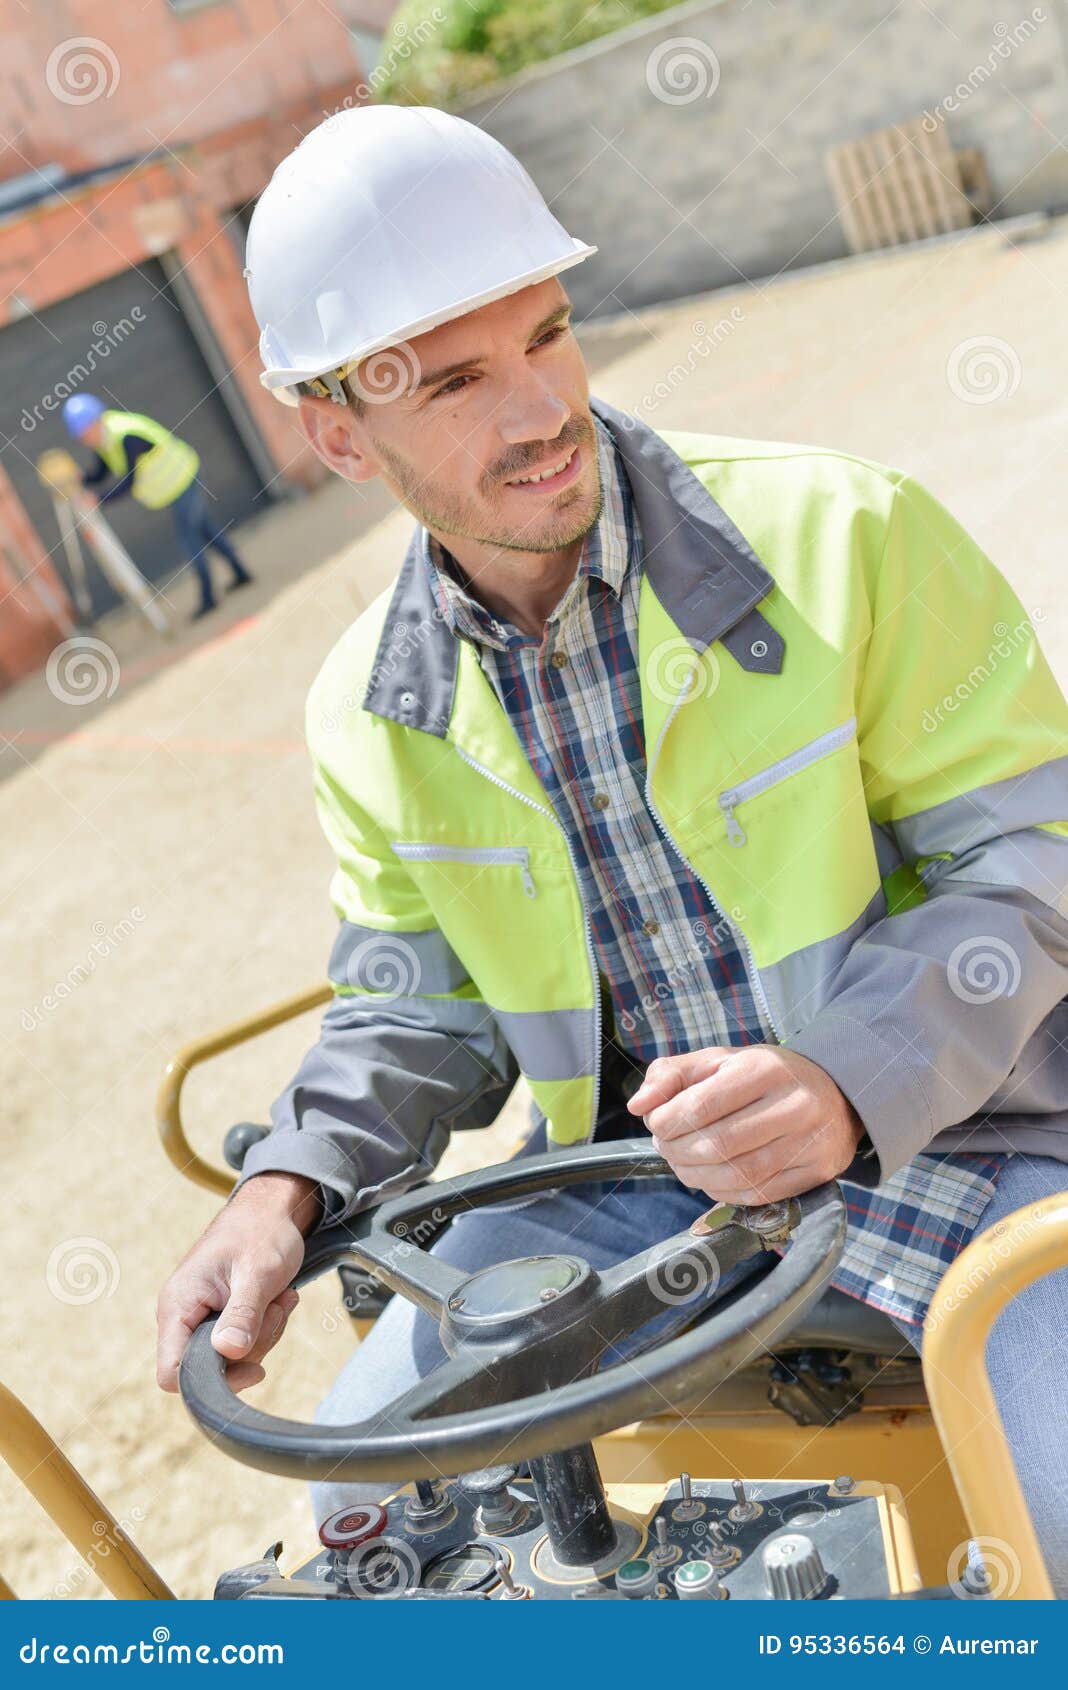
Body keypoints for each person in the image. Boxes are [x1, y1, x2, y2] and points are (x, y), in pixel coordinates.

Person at [156, 106, 1068, 1592]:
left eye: (549, 333)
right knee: (367, 1536)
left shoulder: (851, 532)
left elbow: (1036, 864)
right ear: (337, 431)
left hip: (974, 1140)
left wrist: (847, 1074)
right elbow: (413, 995)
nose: (539, 409)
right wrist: (289, 1183)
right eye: (453, 380)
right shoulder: (365, 714)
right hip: (623, 1186)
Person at [62, 394, 252, 620]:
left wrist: (99, 499)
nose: (85, 439)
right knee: (204, 530)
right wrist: (80, 478)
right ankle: (241, 573)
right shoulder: (103, 438)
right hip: (172, 485)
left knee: (190, 539)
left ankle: (208, 597)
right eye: (81, 436)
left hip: (184, 477)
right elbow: (102, 470)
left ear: (95, 421)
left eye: (85, 433)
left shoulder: (126, 435)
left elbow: (130, 480)